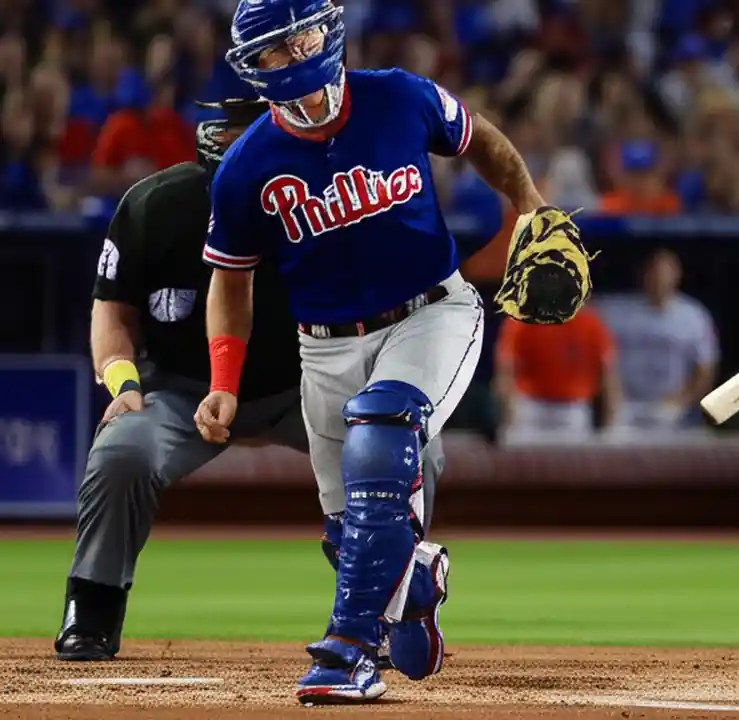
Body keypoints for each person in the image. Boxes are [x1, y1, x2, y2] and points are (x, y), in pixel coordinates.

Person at [200, 0, 554, 704]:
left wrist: (532, 204)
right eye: (274, 48)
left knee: (383, 430)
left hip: (431, 311)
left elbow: (478, 138)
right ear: (254, 66)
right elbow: (229, 281)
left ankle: (347, 652)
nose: (294, 53)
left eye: (300, 33)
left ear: (327, 29)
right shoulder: (245, 167)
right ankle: (415, 587)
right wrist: (224, 378)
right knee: (347, 530)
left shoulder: (396, 95)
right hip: (324, 347)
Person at [53, 98, 311, 662]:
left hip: (305, 387)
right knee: (122, 449)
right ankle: (93, 608)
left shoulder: (320, 207)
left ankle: (389, 610)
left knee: (403, 446)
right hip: (180, 388)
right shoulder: (154, 204)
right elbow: (112, 311)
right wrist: (123, 386)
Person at [596, 249, 718, 437]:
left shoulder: (693, 316)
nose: (658, 280)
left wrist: (682, 401)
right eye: (653, 273)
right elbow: (603, 360)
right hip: (626, 408)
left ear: (677, 276)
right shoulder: (615, 311)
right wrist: (612, 399)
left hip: (672, 410)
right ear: (643, 275)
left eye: (664, 273)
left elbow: (706, 368)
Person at [493, 307, 620, 444]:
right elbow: (506, 372)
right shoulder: (522, 321)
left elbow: (606, 374)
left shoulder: (590, 323)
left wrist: (610, 423)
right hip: (532, 409)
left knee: (575, 462)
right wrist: (507, 418)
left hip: (573, 409)